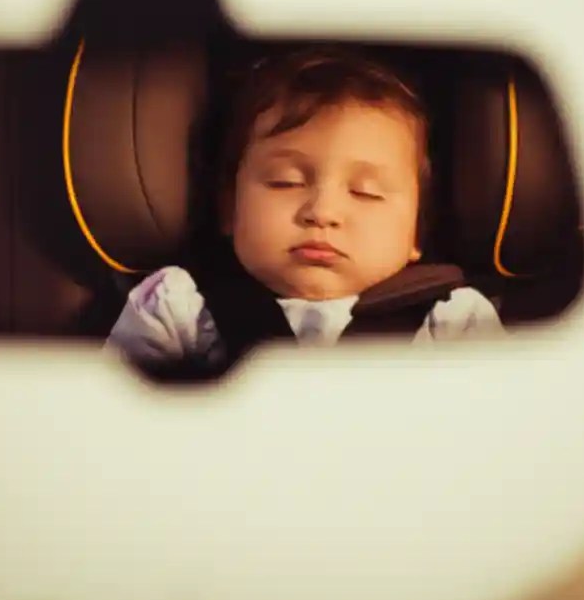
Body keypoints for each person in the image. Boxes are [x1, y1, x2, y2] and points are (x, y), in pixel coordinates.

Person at [105, 46, 504, 370]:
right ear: (230, 208)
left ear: (417, 230)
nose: (322, 212)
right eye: (286, 182)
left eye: (366, 192)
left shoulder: (453, 321)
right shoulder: (180, 309)